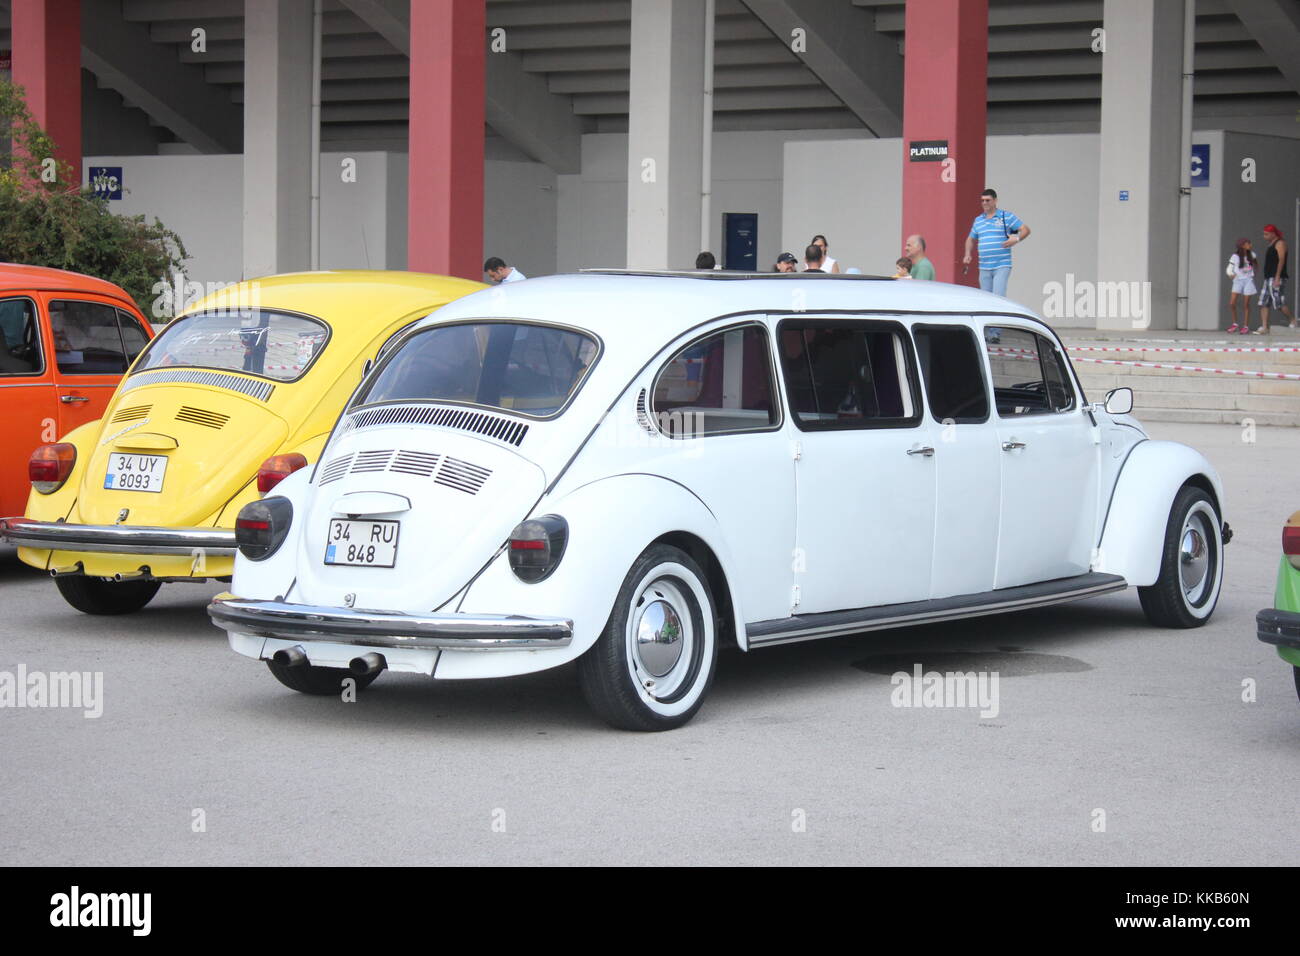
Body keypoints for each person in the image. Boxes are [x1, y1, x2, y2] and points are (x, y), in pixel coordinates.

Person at [963, 188, 1029, 296]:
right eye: (982, 200)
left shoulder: (1005, 216)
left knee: (998, 296)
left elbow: (1025, 229)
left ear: (995, 201)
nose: (984, 203)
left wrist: (1016, 238)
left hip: (1001, 264)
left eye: (988, 200)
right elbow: (970, 239)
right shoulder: (978, 220)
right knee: (986, 299)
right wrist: (967, 254)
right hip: (984, 266)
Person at [1259, 224, 1294, 333]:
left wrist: (1277, 276)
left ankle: (1292, 320)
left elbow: (1281, 259)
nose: (1264, 236)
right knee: (1263, 302)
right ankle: (1265, 327)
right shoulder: (1271, 244)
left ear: (1273, 234)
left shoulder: (1280, 243)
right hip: (1268, 277)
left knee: (1278, 302)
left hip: (1276, 277)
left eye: (1266, 234)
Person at [1225, 238, 1257, 334]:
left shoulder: (1252, 255)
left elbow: (1254, 266)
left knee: (1246, 304)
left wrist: (1251, 274)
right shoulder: (1235, 256)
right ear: (1242, 245)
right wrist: (1230, 274)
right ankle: (1235, 324)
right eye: (1248, 243)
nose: (1250, 245)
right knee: (1232, 303)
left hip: (1248, 281)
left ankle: (1246, 326)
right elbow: (1229, 268)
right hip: (1238, 280)